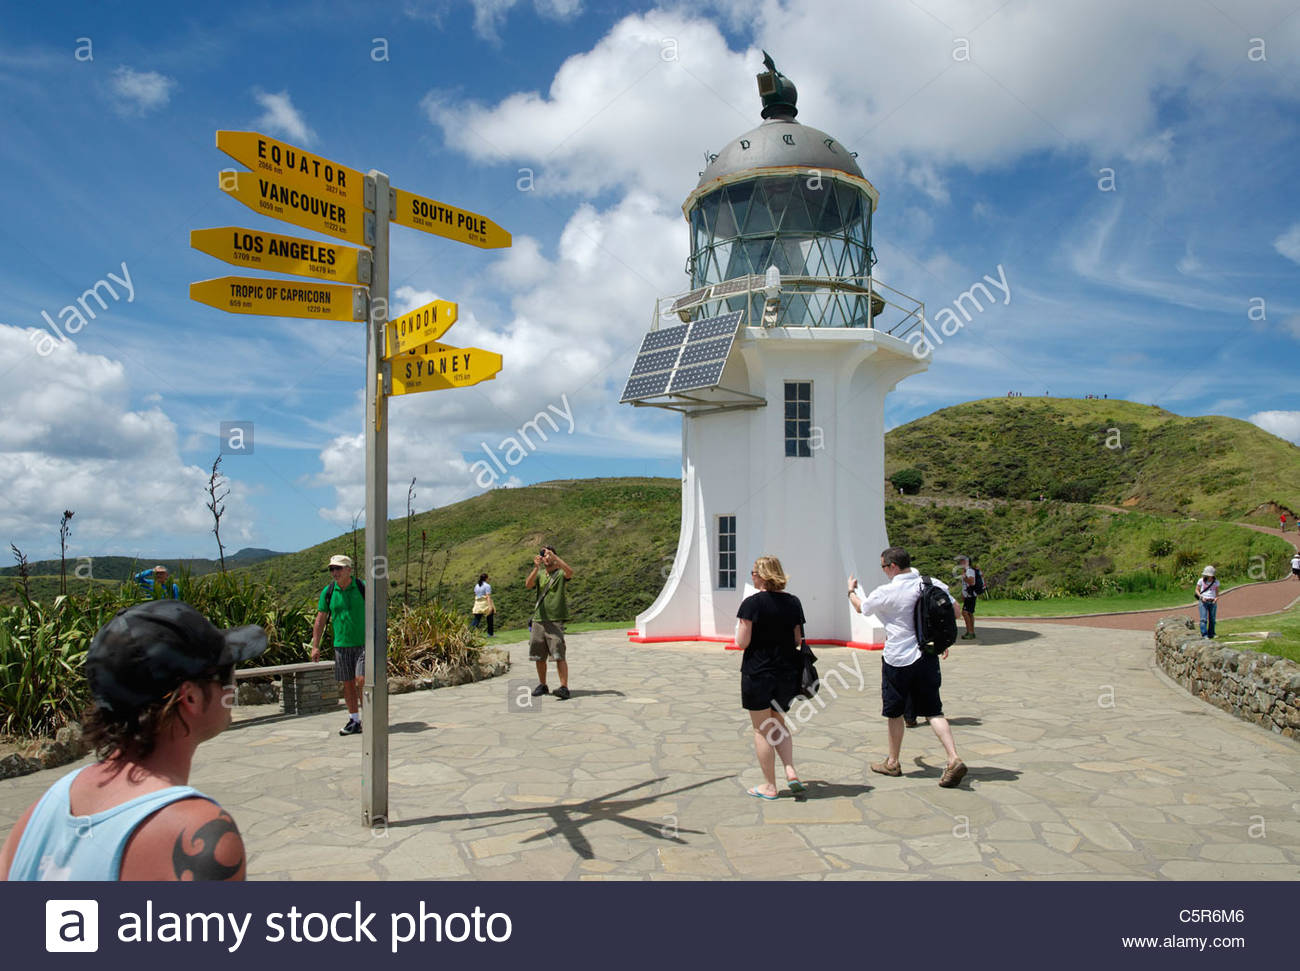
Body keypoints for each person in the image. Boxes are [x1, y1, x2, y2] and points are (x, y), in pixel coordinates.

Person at [0, 600, 266, 880]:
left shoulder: (43, 810)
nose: (232, 685)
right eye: (226, 672)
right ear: (190, 697)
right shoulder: (201, 832)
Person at [847, 547, 967, 788]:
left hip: (897, 658)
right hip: (927, 654)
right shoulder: (931, 583)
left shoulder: (887, 591)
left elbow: (862, 607)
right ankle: (953, 758)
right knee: (934, 710)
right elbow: (955, 611)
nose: (883, 571)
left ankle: (892, 762)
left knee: (894, 711)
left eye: (883, 567)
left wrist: (851, 590)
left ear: (892, 566)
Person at [735, 555, 806, 799]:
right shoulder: (794, 602)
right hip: (786, 672)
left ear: (762, 575)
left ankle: (770, 786)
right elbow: (797, 639)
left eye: (753, 572)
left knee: (761, 729)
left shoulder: (752, 604)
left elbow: (742, 642)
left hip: (758, 672)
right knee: (779, 723)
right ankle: (790, 769)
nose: (752, 576)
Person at [310, 554, 366, 736]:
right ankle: (354, 720)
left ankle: (370, 718)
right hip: (341, 645)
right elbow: (320, 619)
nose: (334, 572)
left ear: (349, 569)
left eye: (338, 568)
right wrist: (315, 646)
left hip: (364, 644)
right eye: (332, 569)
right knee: (348, 684)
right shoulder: (328, 592)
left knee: (362, 680)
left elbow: (378, 610)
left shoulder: (362, 587)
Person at [526, 546, 574, 700]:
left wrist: (556, 558)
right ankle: (543, 684)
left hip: (555, 619)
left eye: (548, 554)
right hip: (539, 619)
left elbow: (570, 573)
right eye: (543, 554)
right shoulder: (540, 574)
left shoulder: (560, 573)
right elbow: (528, 584)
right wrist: (536, 567)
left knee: (559, 653)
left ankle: (564, 686)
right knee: (539, 655)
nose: (545, 557)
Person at [956, 554, 979, 640]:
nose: (960, 563)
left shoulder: (969, 571)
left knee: (965, 613)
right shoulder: (967, 570)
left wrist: (964, 577)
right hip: (969, 595)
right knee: (969, 613)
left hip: (970, 595)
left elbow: (972, 582)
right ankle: (970, 631)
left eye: (962, 561)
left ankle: (970, 632)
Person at [1195, 565, 1219, 639]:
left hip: (1212, 601)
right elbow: (1197, 590)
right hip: (1203, 601)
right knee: (1203, 619)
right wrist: (1201, 597)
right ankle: (1204, 634)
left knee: (1212, 618)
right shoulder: (1201, 580)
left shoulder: (1216, 582)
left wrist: (1216, 598)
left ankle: (1212, 633)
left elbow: (1217, 591)